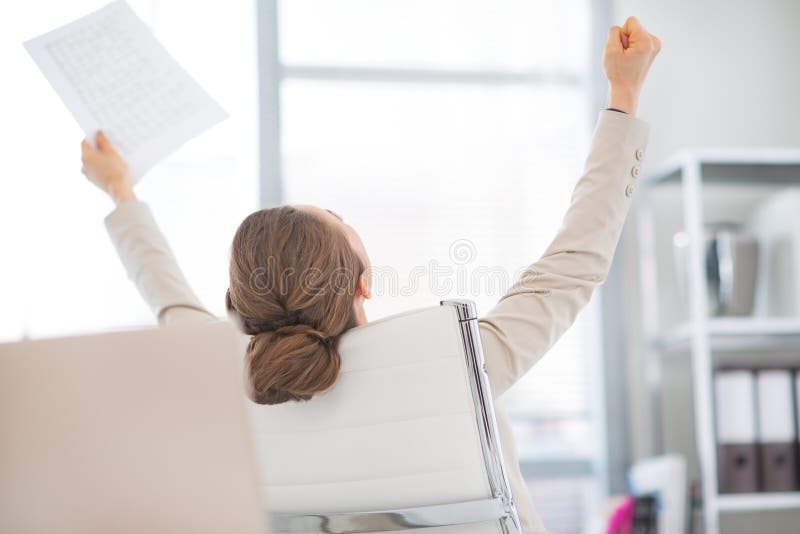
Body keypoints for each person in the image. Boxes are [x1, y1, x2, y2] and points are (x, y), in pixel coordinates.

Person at [80, 16, 660, 534]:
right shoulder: (453, 365)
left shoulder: (221, 376)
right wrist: (623, 92)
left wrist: (119, 189)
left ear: (238, 300)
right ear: (364, 282)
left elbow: (167, 297)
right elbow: (575, 261)